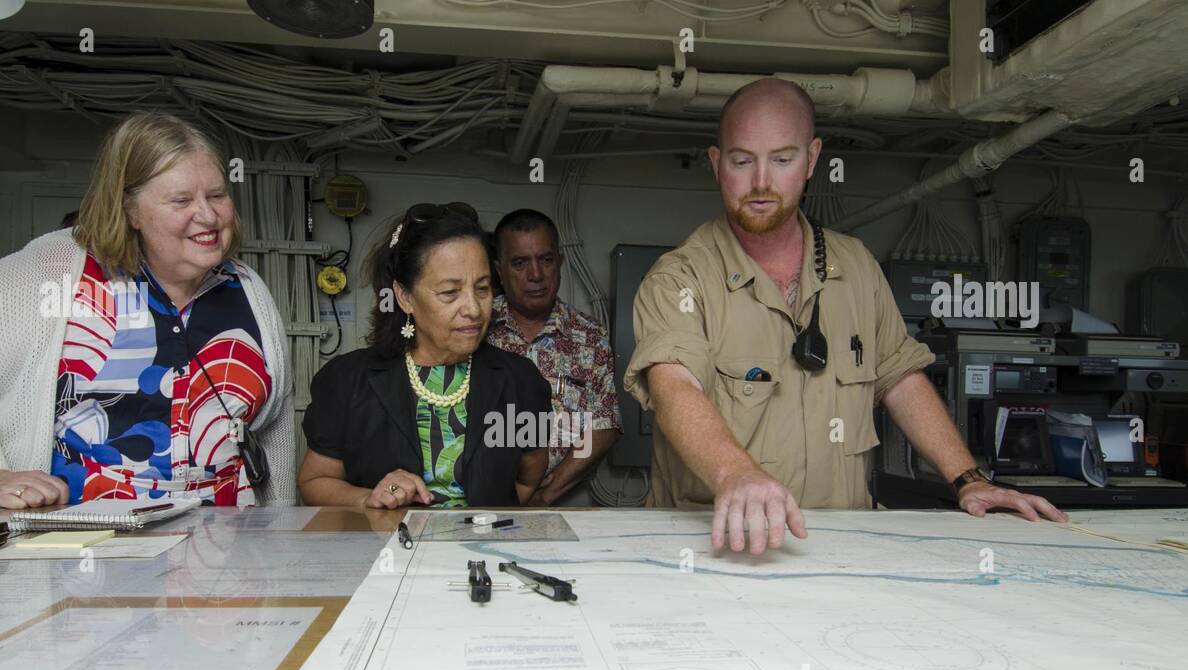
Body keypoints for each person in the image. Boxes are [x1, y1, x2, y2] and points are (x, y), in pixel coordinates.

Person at [624, 78, 1065, 553]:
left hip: (841, 547)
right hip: (722, 544)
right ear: (716, 164)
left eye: (782, 159)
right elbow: (674, 387)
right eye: (741, 160)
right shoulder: (679, 278)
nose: (761, 182)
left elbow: (900, 378)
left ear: (813, 159)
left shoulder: (856, 268)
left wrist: (967, 479)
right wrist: (737, 474)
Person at [0, 112, 295, 508]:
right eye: (181, 200)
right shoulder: (49, 270)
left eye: (216, 195)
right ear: (129, 209)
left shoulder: (247, 288)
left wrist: (280, 534)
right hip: (78, 550)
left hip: (228, 547)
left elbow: (272, 430)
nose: (208, 216)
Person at [298, 202, 551, 509]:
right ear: (405, 296)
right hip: (385, 553)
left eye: (482, 289)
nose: (473, 309)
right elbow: (314, 482)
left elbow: (527, 480)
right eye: (450, 292)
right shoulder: (346, 380)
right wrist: (369, 498)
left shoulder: (522, 380)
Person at [487, 208, 621, 506]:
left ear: (559, 262)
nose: (535, 275)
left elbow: (605, 423)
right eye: (520, 263)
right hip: (481, 501)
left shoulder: (589, 335)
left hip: (565, 500)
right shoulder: (476, 327)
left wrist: (547, 493)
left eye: (545, 260)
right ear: (499, 270)